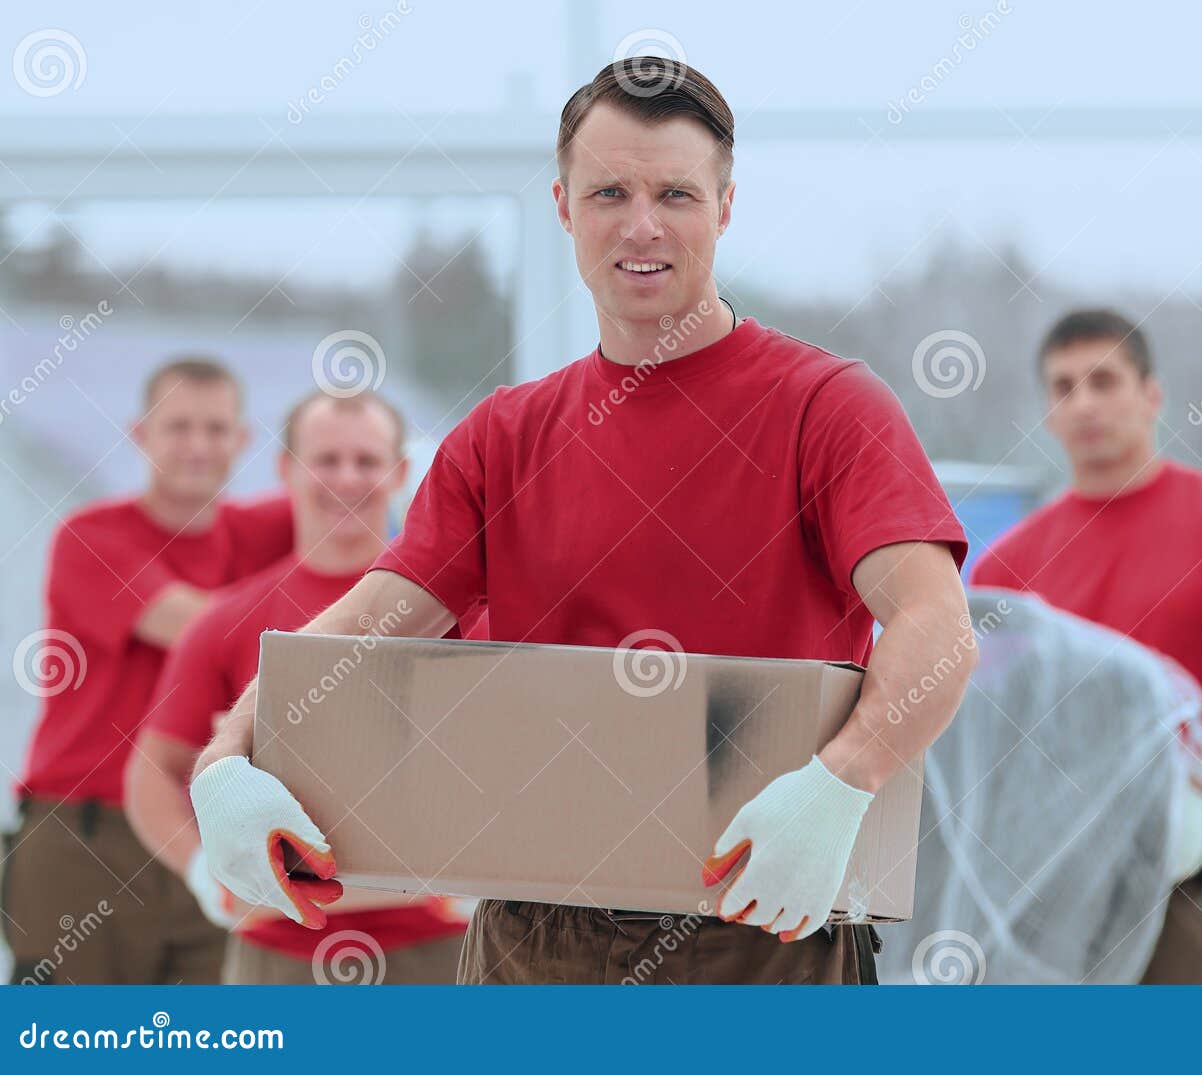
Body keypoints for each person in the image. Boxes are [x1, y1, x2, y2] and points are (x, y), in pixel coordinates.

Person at [185, 59, 972, 985]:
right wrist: (227, 761)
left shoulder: (826, 407)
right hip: (532, 942)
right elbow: (359, 636)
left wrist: (846, 780)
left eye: (675, 192)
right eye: (609, 192)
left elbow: (937, 624)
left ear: (725, 205)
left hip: (762, 923)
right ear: (563, 206)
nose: (641, 226)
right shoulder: (503, 437)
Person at [969, 308, 1202, 984]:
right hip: (1048, 892)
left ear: (1151, 395)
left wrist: (1190, 793)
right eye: (1063, 386)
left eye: (1104, 380)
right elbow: (983, 734)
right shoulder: (1005, 572)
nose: (1084, 402)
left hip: (1193, 872)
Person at [125, 389, 469, 984]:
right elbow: (151, 770)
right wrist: (203, 871)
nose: (347, 478)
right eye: (326, 460)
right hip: (279, 961)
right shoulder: (226, 621)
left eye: (366, 461)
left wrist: (492, 876)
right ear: (286, 469)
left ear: (401, 473)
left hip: (442, 952)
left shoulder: (459, 611)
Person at [1, 357, 292, 984]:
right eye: (178, 427)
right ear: (140, 433)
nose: (197, 445)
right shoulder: (92, 537)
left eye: (216, 429)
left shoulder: (261, 531)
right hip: (85, 841)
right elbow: (194, 627)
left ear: (242, 439)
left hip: (204, 835)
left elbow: (356, 505)